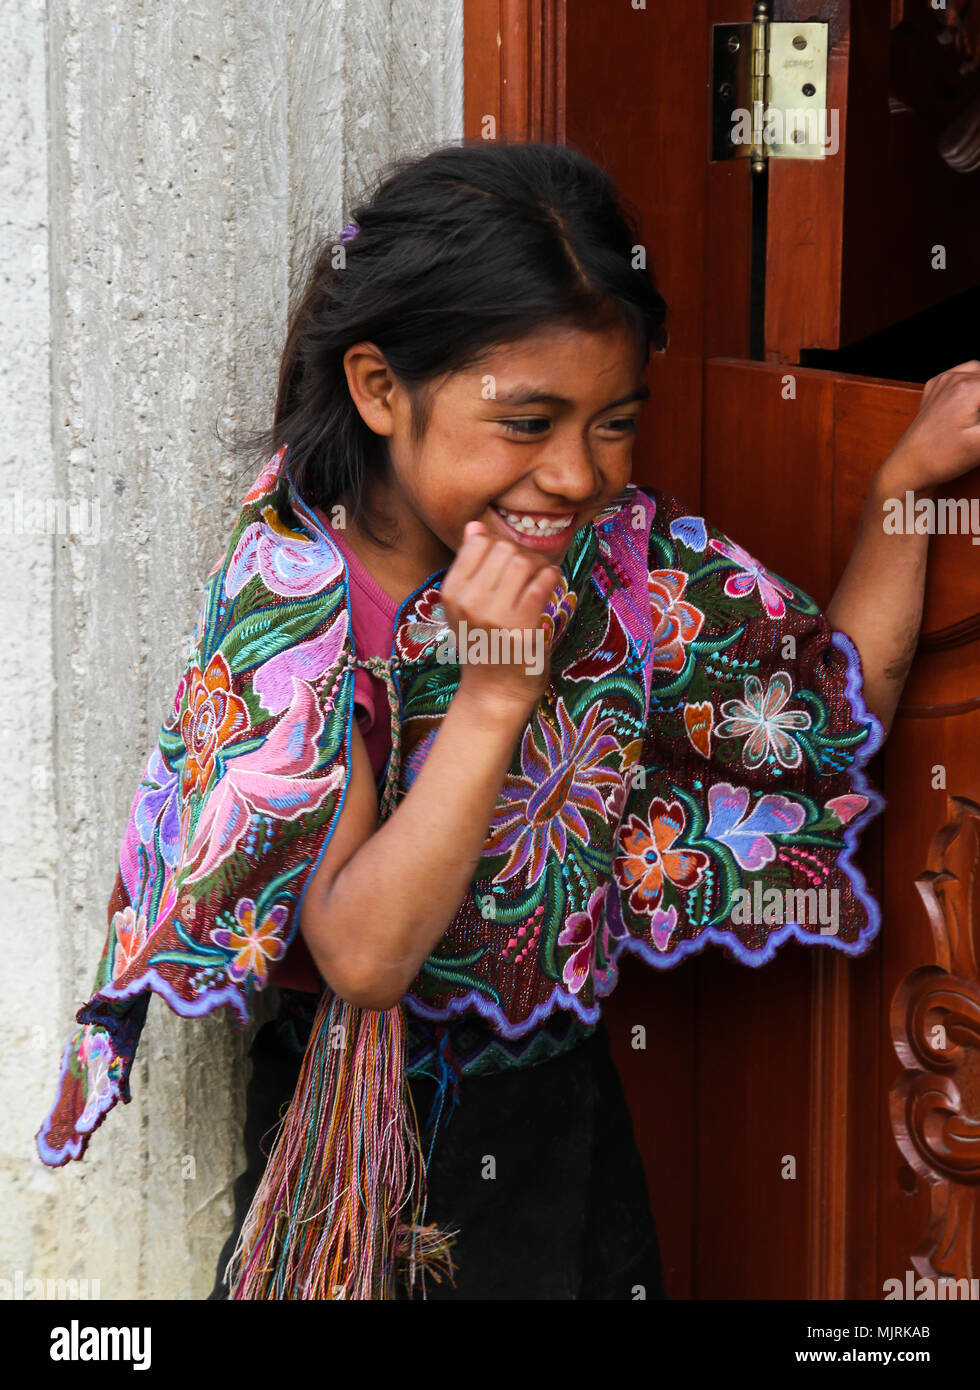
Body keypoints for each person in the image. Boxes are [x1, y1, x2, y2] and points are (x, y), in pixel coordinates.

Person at [35, 140, 980, 1301]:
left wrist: (903, 489)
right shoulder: (295, 603)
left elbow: (825, 714)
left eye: (612, 422)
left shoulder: (616, 561)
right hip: (365, 1143)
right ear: (382, 390)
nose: (577, 474)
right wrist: (492, 692)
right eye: (526, 423)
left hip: (559, 1107)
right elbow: (363, 956)